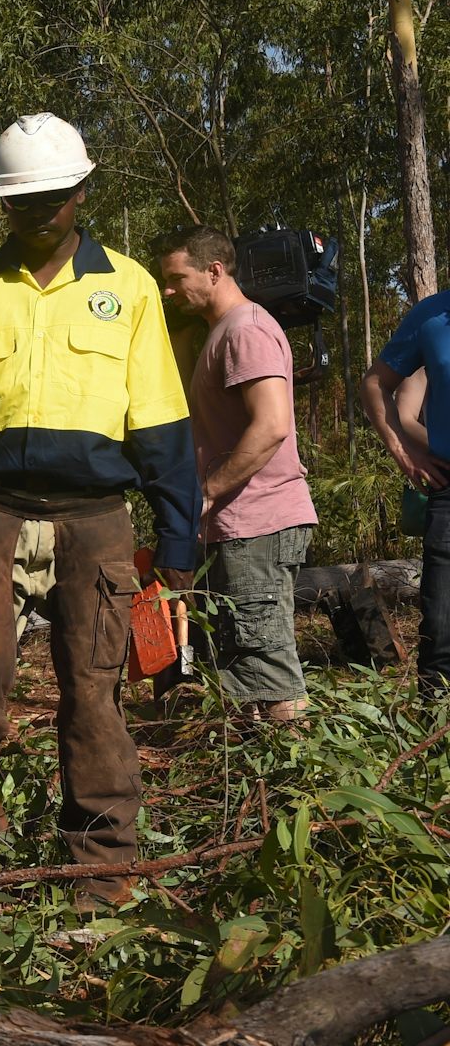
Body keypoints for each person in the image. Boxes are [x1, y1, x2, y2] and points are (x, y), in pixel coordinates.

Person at [0, 113, 197, 909]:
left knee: (93, 689)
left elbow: (162, 419)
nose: (36, 214)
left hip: (95, 512)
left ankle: (102, 869)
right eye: (19, 202)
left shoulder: (127, 286)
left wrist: (178, 534)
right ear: (0, 203)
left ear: (80, 192)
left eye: (52, 199)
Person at [153, 225, 317, 723]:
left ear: (215, 270)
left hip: (259, 524)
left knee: (268, 678)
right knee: (242, 674)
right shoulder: (221, 331)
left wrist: (206, 492)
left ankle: (299, 789)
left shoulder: (245, 328)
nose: (169, 289)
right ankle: (261, 788)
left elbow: (270, 426)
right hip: (239, 526)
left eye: (177, 277)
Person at [362, 289, 450, 696]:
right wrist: (405, 452)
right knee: (441, 629)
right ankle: (435, 745)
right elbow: (377, 383)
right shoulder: (431, 317)